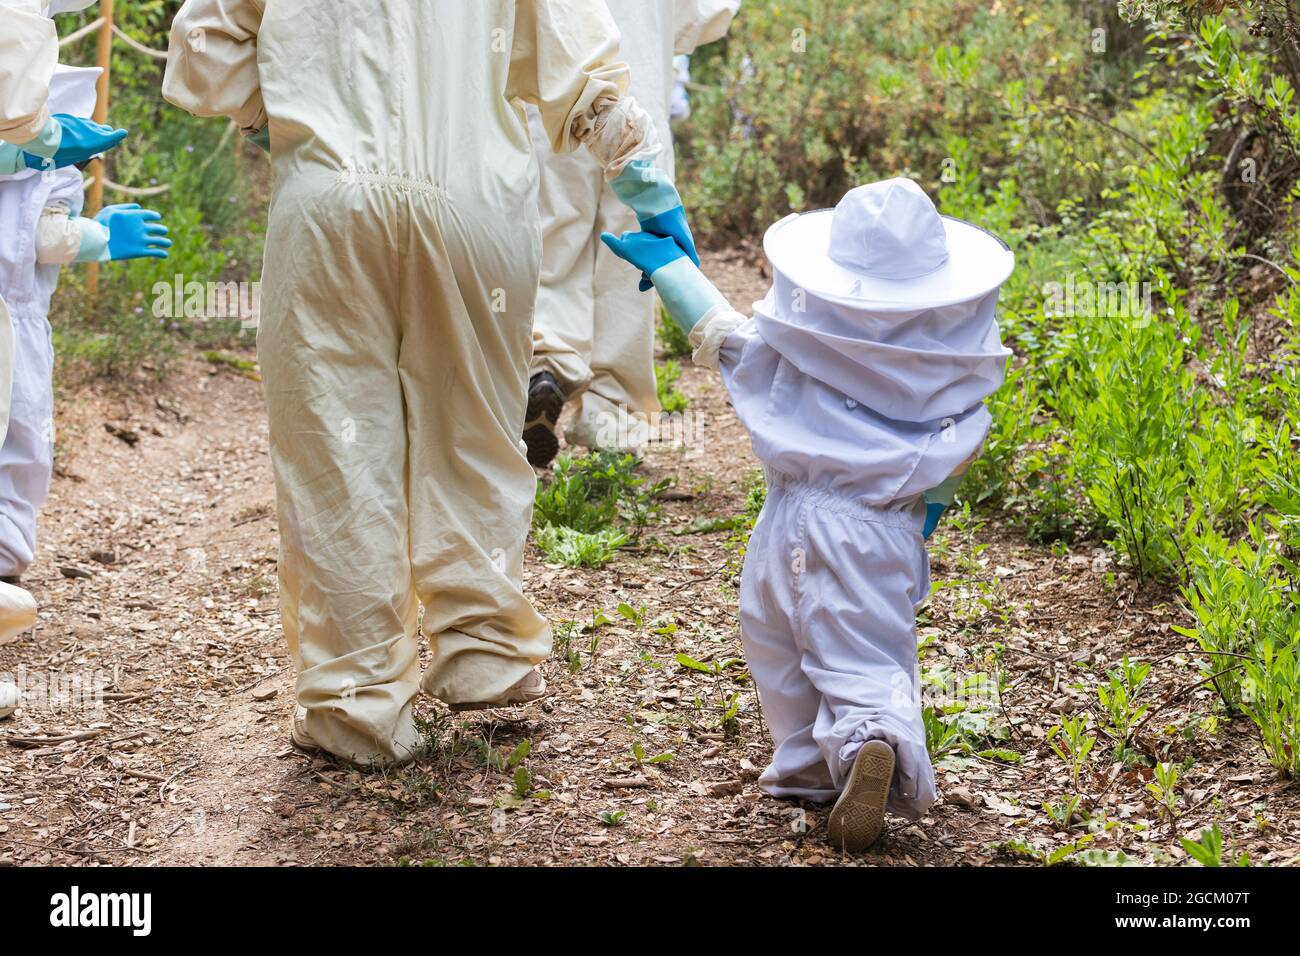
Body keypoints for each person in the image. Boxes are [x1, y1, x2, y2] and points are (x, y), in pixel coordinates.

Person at [162, 0, 696, 767]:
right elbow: (590, 80)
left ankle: (359, 703)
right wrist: (647, 187)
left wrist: (288, 93)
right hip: (475, 209)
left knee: (337, 456)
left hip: (329, 206)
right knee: (472, 428)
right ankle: (484, 650)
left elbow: (204, 53)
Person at [602, 177, 1015, 850]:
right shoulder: (950, 382)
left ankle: (808, 769)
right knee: (861, 651)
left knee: (778, 649)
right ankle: (870, 738)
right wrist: (927, 518)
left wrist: (669, 265)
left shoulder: (796, 355)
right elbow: (952, 471)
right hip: (879, 530)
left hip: (785, 527)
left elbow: (720, 332)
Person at [523, 0, 740, 467]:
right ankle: (611, 418)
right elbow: (706, 15)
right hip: (637, 111)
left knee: (554, 236)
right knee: (631, 258)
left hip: (556, 106)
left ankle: (547, 362)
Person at [0, 0, 130, 653]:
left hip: (17, 313)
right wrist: (103, 238)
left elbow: (49, 235)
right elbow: (52, 238)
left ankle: (4, 557)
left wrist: (100, 235)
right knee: (20, 433)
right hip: (13, 318)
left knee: (22, 435)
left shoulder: (50, 172)